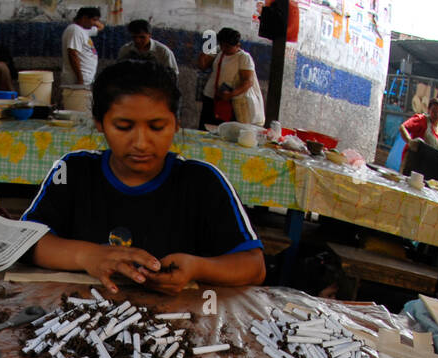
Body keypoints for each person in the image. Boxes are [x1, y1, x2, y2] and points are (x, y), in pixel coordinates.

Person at [22, 60, 265, 295]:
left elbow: (254, 266)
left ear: (177, 124)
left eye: (157, 127)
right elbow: (26, 242)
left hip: (176, 323)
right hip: (77, 317)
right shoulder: (72, 171)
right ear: (99, 123)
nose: (140, 143)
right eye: (123, 127)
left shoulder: (203, 181)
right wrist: (87, 256)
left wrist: (198, 268)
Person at [196, 28, 264, 128]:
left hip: (229, 102)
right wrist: (204, 53)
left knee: (222, 132)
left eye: (228, 47)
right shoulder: (219, 51)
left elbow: (248, 82)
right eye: (222, 45)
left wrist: (231, 94)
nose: (224, 49)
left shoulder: (244, 57)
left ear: (238, 45)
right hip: (211, 98)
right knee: (205, 128)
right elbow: (202, 66)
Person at [60, 6, 104, 108]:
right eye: (93, 20)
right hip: (78, 80)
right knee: (77, 111)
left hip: (84, 79)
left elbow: (101, 27)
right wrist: (80, 79)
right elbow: (73, 54)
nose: (95, 23)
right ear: (84, 18)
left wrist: (94, 20)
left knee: (83, 110)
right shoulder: (75, 30)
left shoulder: (83, 30)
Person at [399, 96, 438, 163]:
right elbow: (403, 127)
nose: (437, 115)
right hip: (413, 162)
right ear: (428, 110)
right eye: (434, 111)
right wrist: (410, 142)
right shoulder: (422, 120)